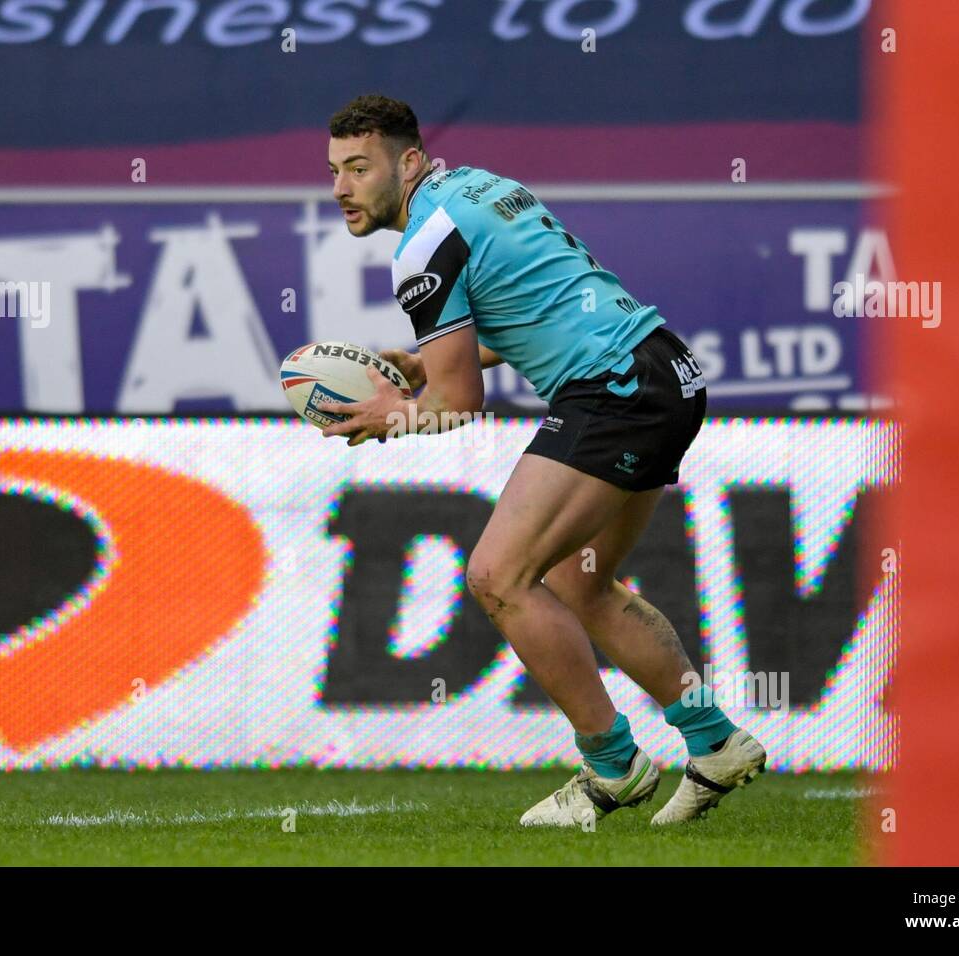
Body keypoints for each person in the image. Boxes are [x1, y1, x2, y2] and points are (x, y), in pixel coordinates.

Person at [321, 94, 765, 827]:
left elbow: (461, 402)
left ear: (407, 162)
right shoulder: (479, 186)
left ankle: (612, 764)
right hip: (666, 371)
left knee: (499, 575)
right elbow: (536, 309)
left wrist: (389, 414)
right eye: (334, 169)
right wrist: (430, 363)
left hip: (614, 390)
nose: (340, 187)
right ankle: (714, 744)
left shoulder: (424, 244)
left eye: (358, 167)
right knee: (579, 584)